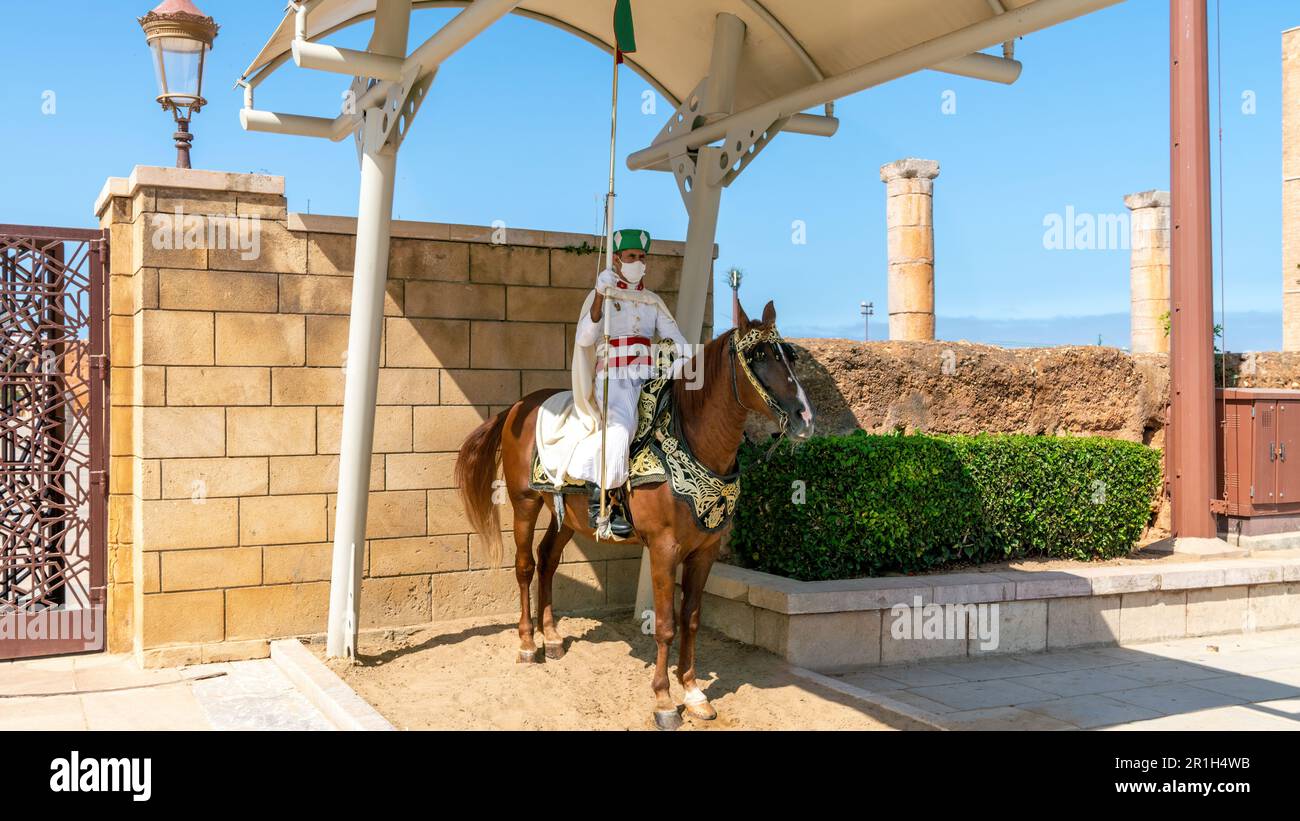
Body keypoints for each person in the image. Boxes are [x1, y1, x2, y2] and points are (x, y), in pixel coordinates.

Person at [570, 228, 688, 537]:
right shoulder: (604, 293)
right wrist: (598, 294)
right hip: (614, 380)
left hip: (648, 377)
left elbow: (674, 337)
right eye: (632, 257)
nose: (638, 262)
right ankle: (605, 505)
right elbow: (584, 338)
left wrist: (689, 358)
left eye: (642, 257)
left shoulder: (652, 301)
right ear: (618, 260)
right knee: (621, 430)